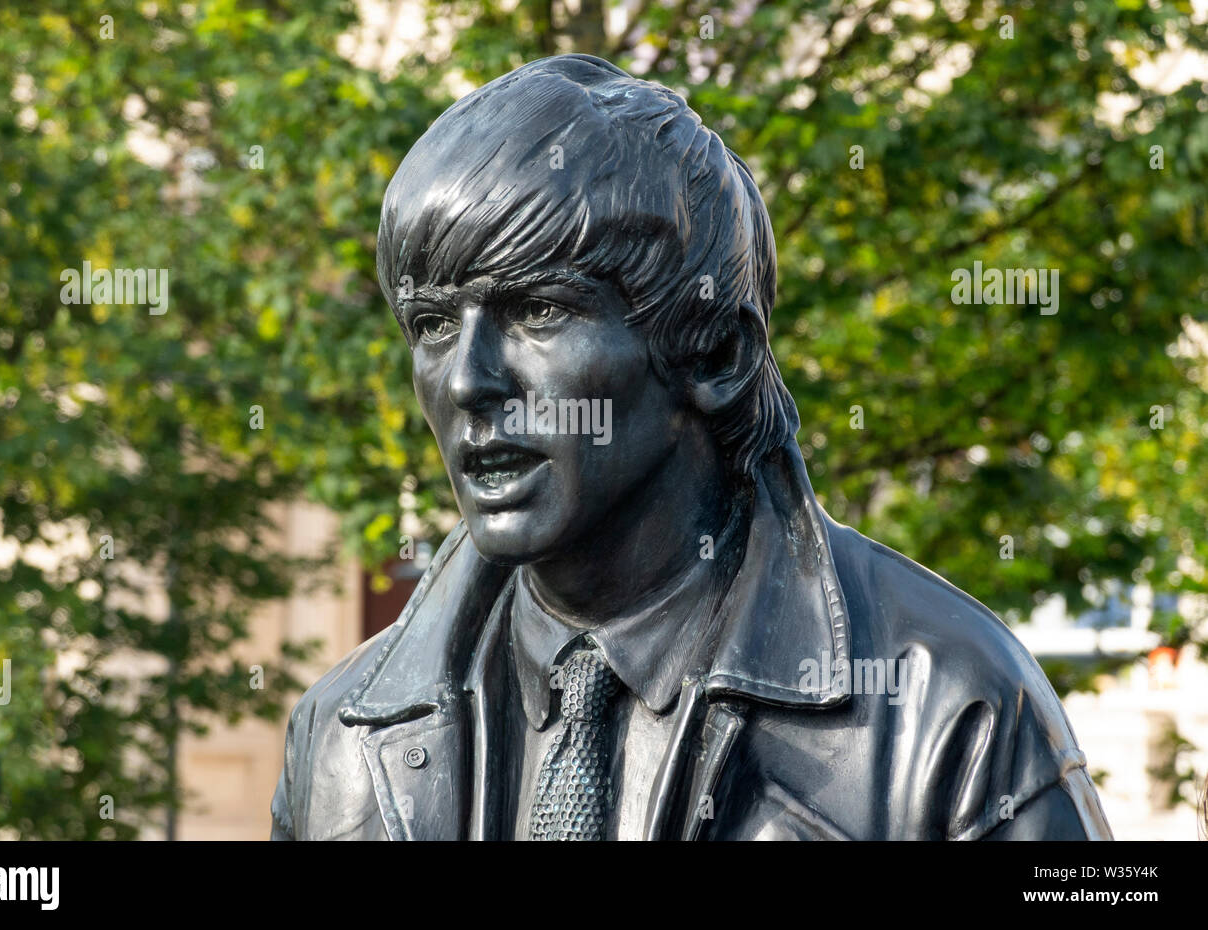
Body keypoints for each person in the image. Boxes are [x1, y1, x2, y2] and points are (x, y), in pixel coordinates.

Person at [271, 54, 1112, 840]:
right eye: (431, 326)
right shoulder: (340, 736)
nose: (466, 383)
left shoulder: (951, 705)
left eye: (539, 313)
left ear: (713, 354)